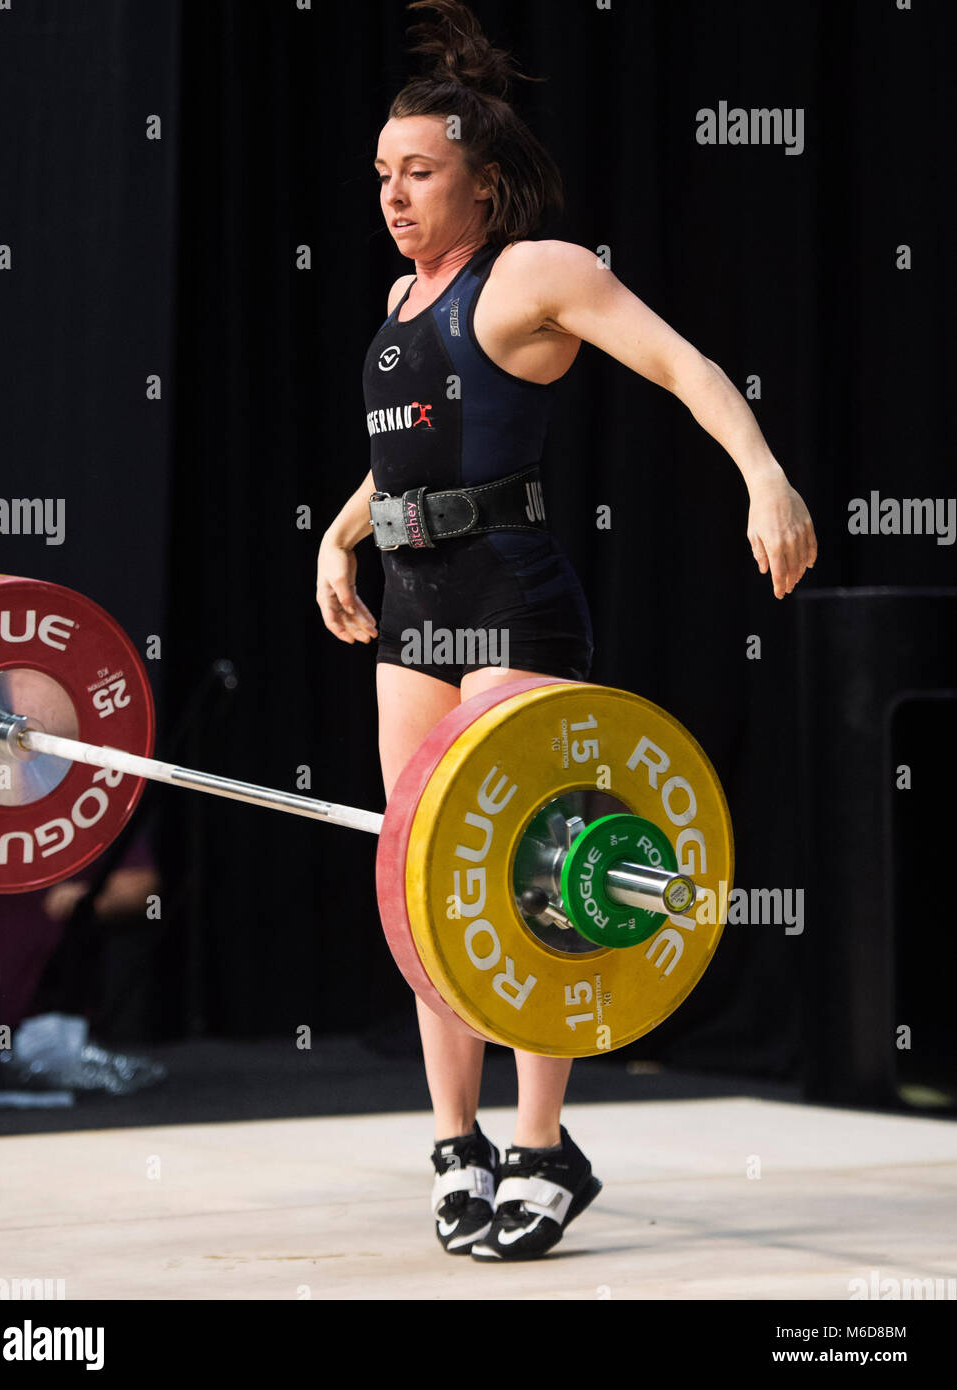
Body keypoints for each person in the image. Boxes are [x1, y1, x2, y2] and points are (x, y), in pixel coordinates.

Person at [316, 0, 817, 1262]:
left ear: (480, 183)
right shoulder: (396, 295)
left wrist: (762, 476)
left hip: (509, 599)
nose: (393, 192)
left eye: (417, 172)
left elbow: (686, 368)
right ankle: (454, 1142)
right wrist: (340, 535)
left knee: (531, 874)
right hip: (414, 606)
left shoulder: (537, 272)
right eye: (381, 173)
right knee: (421, 889)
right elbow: (406, 460)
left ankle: (543, 1144)